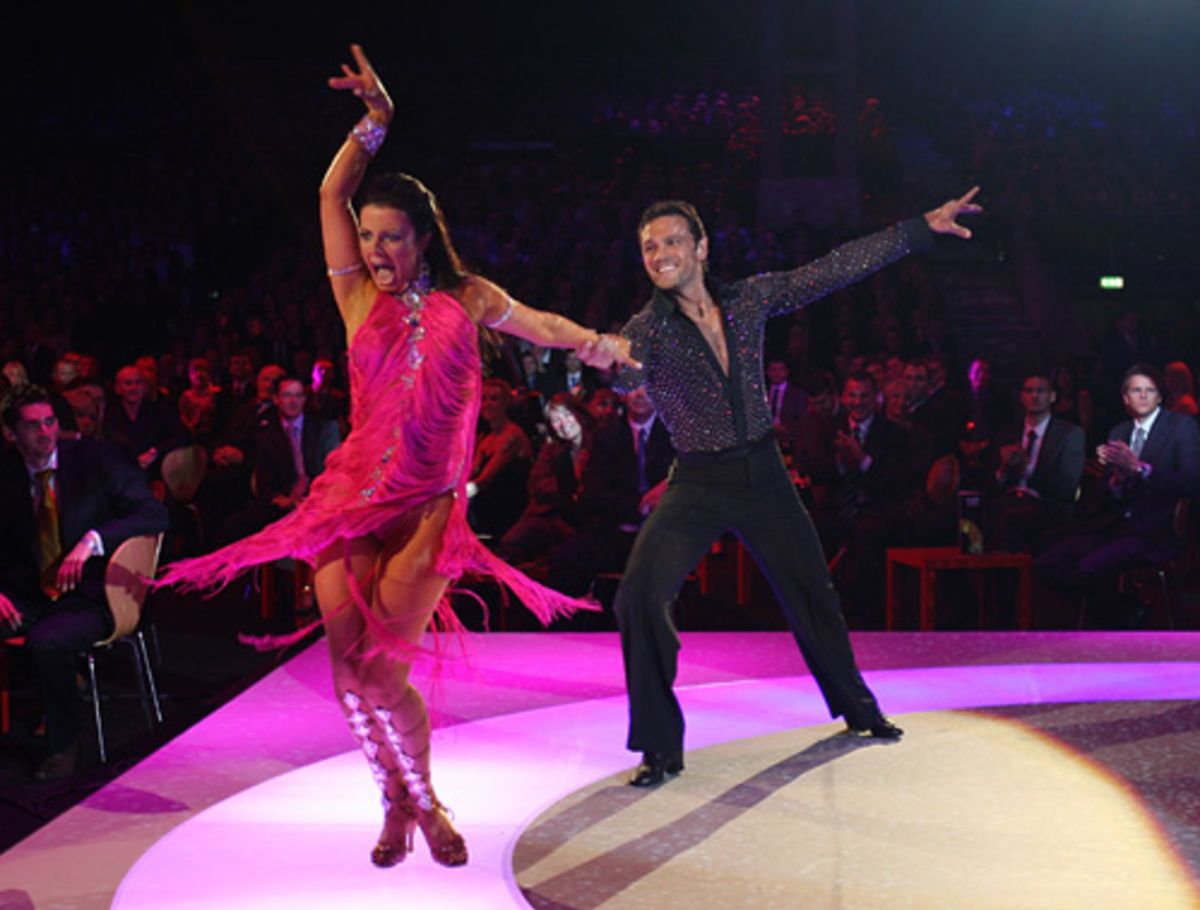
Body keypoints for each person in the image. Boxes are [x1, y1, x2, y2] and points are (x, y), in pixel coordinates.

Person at [158, 45, 633, 869]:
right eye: (369, 236)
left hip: (429, 509)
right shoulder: (354, 295)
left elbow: (544, 323)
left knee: (381, 678)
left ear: (423, 237)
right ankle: (397, 804)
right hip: (352, 501)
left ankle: (429, 800)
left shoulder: (467, 298)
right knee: (347, 679)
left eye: (391, 237)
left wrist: (596, 343)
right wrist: (376, 122)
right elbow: (328, 191)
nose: (376, 249)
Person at [588, 188, 981, 786]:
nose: (660, 253)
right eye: (649, 247)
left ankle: (858, 709)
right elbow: (624, 374)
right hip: (697, 480)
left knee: (812, 593)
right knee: (637, 597)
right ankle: (660, 746)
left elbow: (832, 269)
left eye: (671, 241)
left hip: (764, 473)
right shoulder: (647, 330)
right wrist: (608, 361)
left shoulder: (748, 300)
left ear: (700, 247)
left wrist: (918, 229)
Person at [0, 385, 168, 779]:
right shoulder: (6, 474)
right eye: (32, 426)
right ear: (11, 434)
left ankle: (63, 744)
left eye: (50, 422)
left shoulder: (95, 459)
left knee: (49, 640)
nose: (44, 433)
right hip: (29, 592)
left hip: (95, 593)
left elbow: (154, 514)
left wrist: (93, 541)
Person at [1034, 365, 1200, 627]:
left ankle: (1112, 623)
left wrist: (1140, 469)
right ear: (1126, 399)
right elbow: (1105, 494)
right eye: (1136, 390)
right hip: (1113, 525)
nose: (1143, 396)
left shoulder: (1180, 428)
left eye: (1150, 391)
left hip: (1155, 529)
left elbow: (1191, 483)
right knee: (1047, 564)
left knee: (1088, 569)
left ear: (1159, 397)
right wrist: (1116, 482)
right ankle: (1127, 610)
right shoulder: (1119, 432)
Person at [989, 371, 1085, 551]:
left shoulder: (1069, 434)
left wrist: (1028, 469)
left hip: (1046, 505)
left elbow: (1067, 487)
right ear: (1021, 397)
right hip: (1008, 501)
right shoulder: (1007, 433)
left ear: (1052, 396)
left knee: (1012, 520)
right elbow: (992, 482)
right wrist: (1003, 467)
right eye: (1029, 391)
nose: (1034, 396)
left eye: (1040, 391)